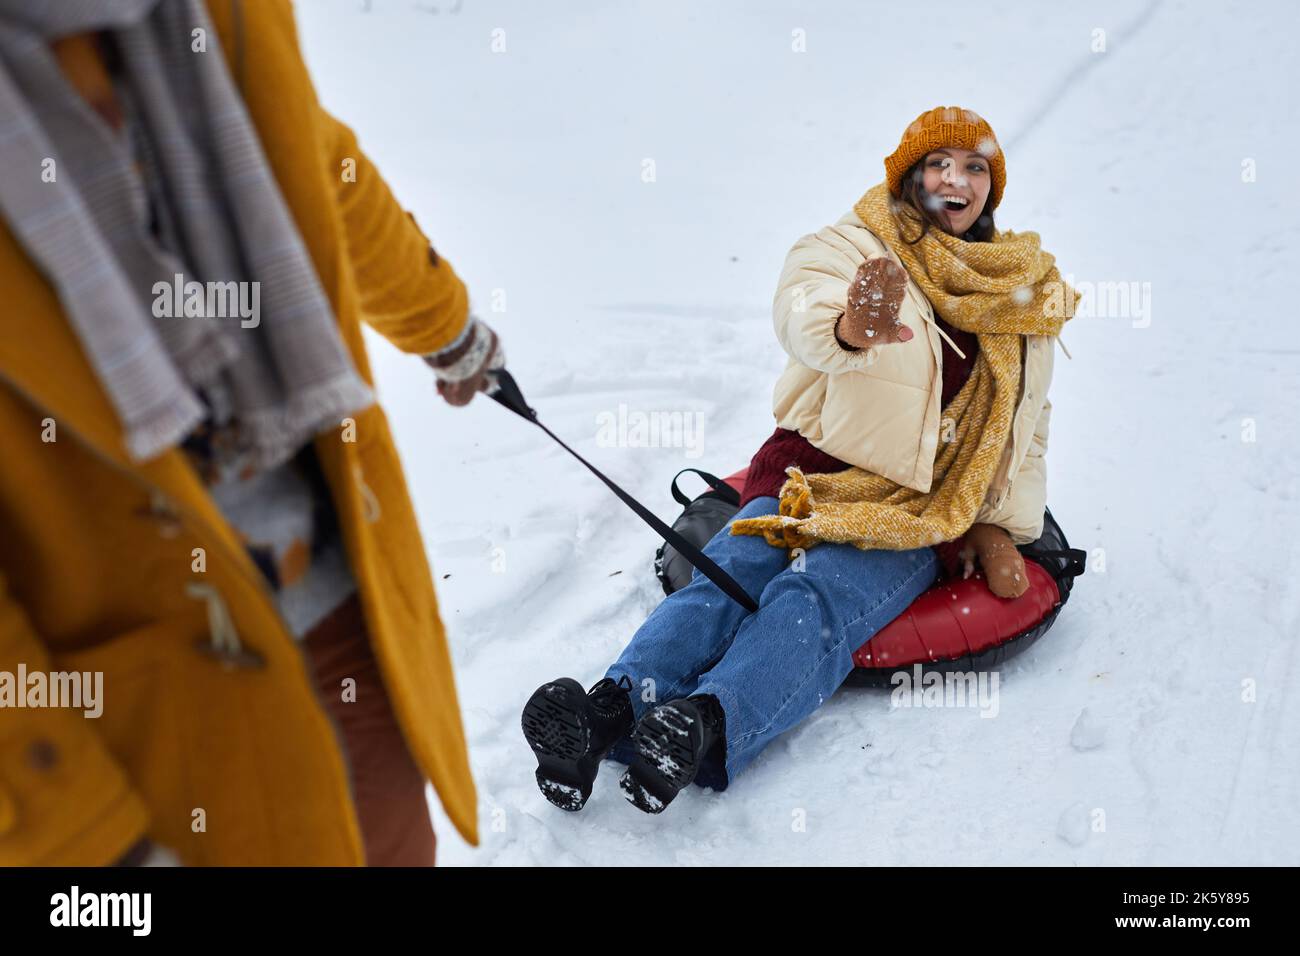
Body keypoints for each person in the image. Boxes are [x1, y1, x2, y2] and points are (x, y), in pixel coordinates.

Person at [0, 0, 500, 865]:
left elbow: (311, 163)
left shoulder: (210, 14)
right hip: (132, 722)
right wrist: (80, 835)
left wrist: (444, 324)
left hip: (340, 616)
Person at [522, 106, 1076, 814]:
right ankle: (605, 713)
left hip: (909, 507)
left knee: (812, 597)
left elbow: (1025, 428)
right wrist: (851, 325)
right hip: (805, 475)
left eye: (975, 168)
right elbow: (801, 309)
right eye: (939, 163)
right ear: (909, 176)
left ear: (990, 188)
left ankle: (702, 728)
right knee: (729, 577)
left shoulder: (1018, 293)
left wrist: (998, 526)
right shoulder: (852, 247)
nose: (956, 180)